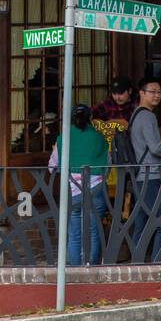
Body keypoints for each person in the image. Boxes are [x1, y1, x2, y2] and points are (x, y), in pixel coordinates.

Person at [127, 77, 161, 260]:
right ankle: (157, 265)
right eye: (152, 91)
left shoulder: (135, 114)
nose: (157, 95)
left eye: (159, 92)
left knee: (141, 224)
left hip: (140, 176)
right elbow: (155, 147)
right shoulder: (147, 116)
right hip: (150, 176)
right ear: (141, 93)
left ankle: (136, 265)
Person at [48, 105, 109, 265]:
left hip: (72, 192)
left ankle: (75, 269)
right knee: (93, 232)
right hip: (95, 191)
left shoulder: (63, 138)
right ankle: (92, 267)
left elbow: (52, 166)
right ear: (90, 119)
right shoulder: (99, 137)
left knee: (74, 233)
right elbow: (108, 163)